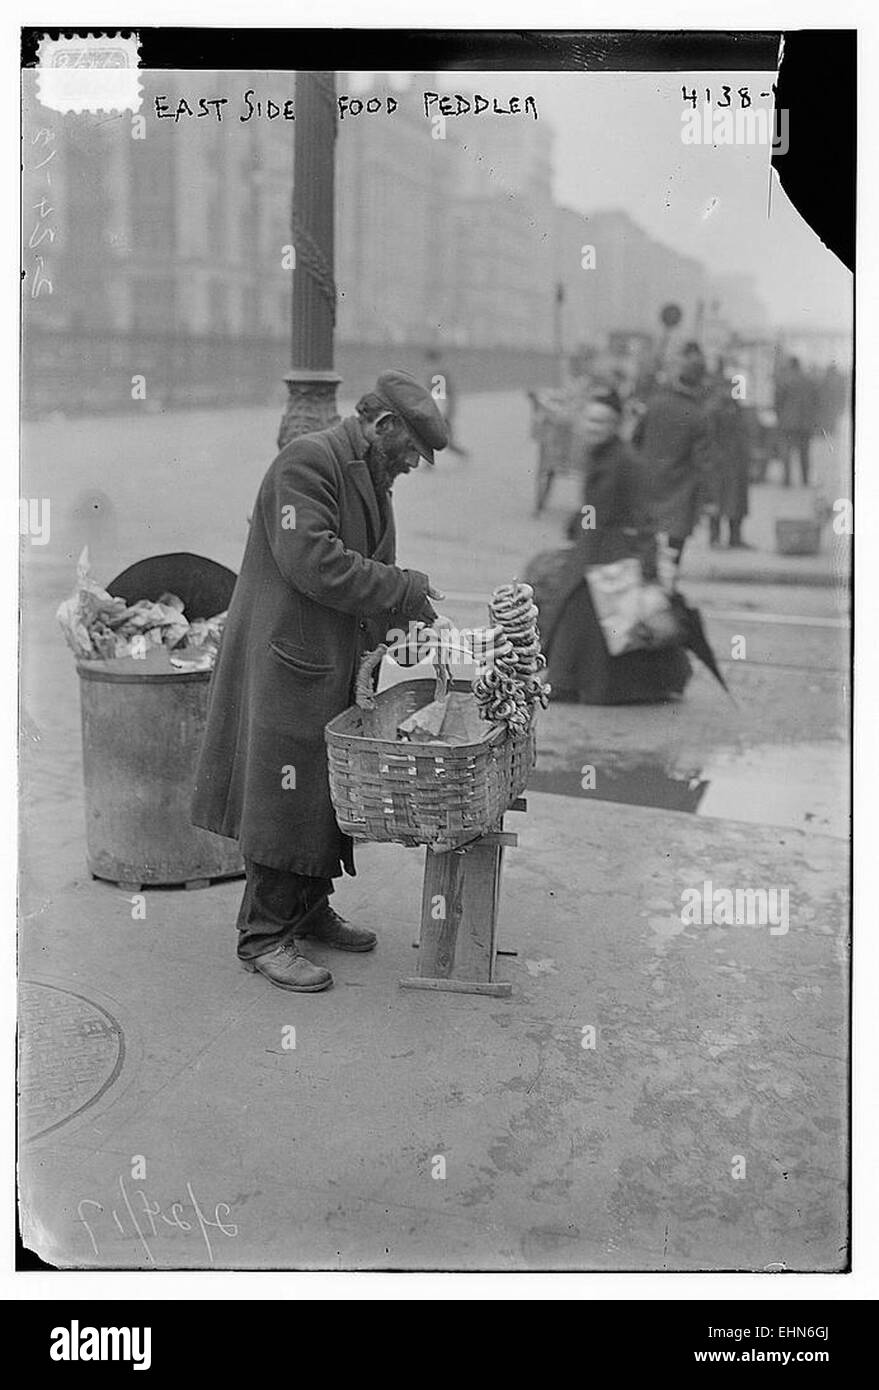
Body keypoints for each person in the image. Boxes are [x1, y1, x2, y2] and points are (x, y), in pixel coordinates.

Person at [191, 370, 449, 993]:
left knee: (320, 794)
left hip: (327, 657)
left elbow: (367, 563)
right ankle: (263, 938)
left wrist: (399, 622)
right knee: (284, 796)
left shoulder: (367, 471)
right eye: (410, 448)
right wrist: (404, 589)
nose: (413, 463)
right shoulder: (306, 461)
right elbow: (313, 561)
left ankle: (306, 911)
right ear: (383, 426)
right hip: (289, 660)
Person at [535, 387, 691, 705]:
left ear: (616, 425)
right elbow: (595, 505)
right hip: (592, 547)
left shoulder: (626, 462)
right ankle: (570, 681)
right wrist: (581, 522)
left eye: (602, 423)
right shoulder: (598, 456)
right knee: (581, 612)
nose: (594, 429)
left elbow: (644, 515)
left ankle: (581, 683)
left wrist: (647, 564)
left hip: (614, 552)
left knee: (598, 615)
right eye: (590, 421)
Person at [632, 341, 712, 566]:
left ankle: (645, 581)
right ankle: (667, 586)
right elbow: (703, 461)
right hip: (680, 490)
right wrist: (708, 498)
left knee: (644, 541)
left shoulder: (655, 404)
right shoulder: (699, 415)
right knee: (674, 549)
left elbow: (635, 440)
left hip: (647, 483)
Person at [705, 374, 753, 548]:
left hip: (737, 461)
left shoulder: (736, 406)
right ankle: (715, 537)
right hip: (720, 463)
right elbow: (709, 437)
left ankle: (735, 537)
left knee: (737, 502)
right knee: (717, 501)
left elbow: (743, 433)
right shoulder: (714, 408)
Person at [775, 356, 815, 487]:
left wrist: (780, 416)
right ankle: (805, 480)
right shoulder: (808, 380)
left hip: (788, 422)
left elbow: (778, 401)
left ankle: (787, 480)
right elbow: (815, 401)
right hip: (805, 423)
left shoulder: (784, 380)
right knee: (804, 452)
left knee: (786, 451)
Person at [425, 348, 468, 458]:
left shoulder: (436, 372)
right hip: (444, 406)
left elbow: (438, 393)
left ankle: (462, 454)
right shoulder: (441, 371)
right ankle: (462, 454)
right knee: (443, 438)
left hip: (440, 407)